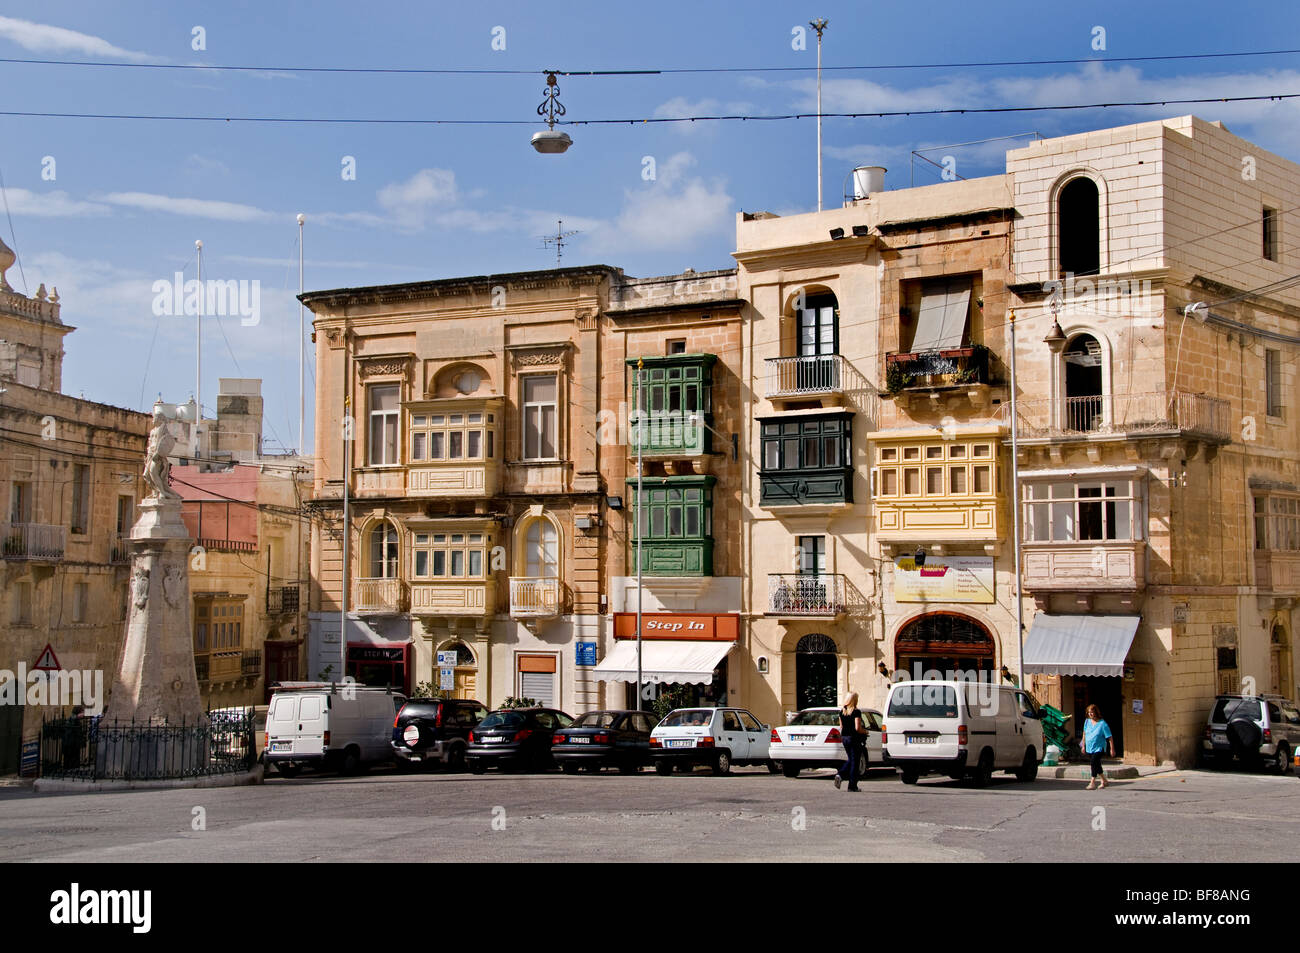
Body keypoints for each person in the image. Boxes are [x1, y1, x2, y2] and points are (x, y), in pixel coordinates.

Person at [834, 692, 865, 792]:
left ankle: (841, 775)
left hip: (845, 738)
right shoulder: (856, 712)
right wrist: (865, 731)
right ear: (854, 700)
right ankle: (852, 785)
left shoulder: (842, 712)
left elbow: (841, 727)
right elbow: (857, 728)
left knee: (851, 760)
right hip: (854, 738)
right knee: (855, 762)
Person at [1081, 703, 1115, 789]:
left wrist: (1112, 749)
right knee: (1097, 764)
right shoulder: (1087, 721)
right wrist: (1083, 745)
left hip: (1099, 747)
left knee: (1093, 762)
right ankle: (1104, 780)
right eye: (1089, 712)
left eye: (1092, 712)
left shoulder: (1102, 724)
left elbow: (1109, 736)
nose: (1090, 714)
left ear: (1096, 712)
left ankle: (1092, 782)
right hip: (1089, 746)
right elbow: (1084, 733)